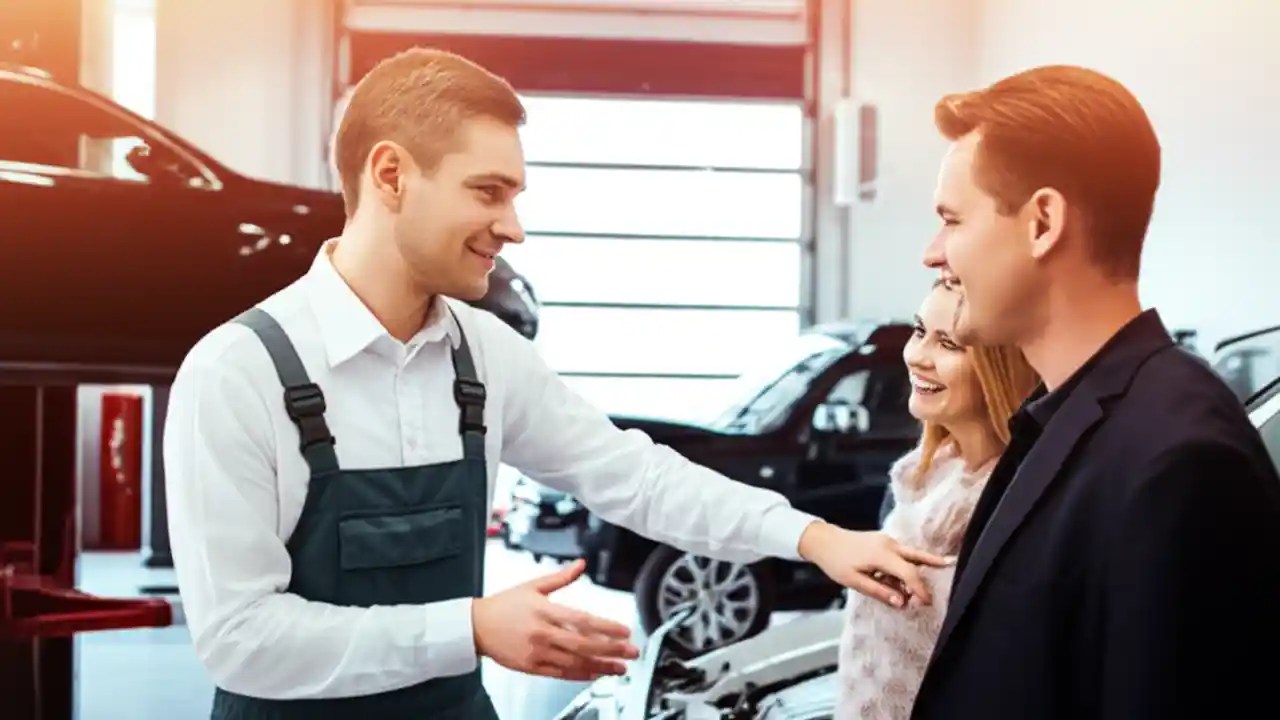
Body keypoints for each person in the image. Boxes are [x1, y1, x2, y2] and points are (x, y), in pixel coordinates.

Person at [162, 47, 949, 720]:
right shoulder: (240, 375)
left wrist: (815, 539)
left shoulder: (482, 357)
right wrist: (469, 629)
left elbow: (634, 478)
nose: (514, 227)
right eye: (488, 190)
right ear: (391, 174)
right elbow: (241, 643)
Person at [912, 64, 1280, 720]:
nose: (934, 253)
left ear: (1043, 222)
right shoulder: (1063, 419)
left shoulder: (1179, 461)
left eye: (953, 220)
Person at [837, 281, 1037, 720]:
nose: (916, 355)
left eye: (947, 342)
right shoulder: (919, 485)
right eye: (919, 330)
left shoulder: (1011, 510)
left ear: (1002, 365)